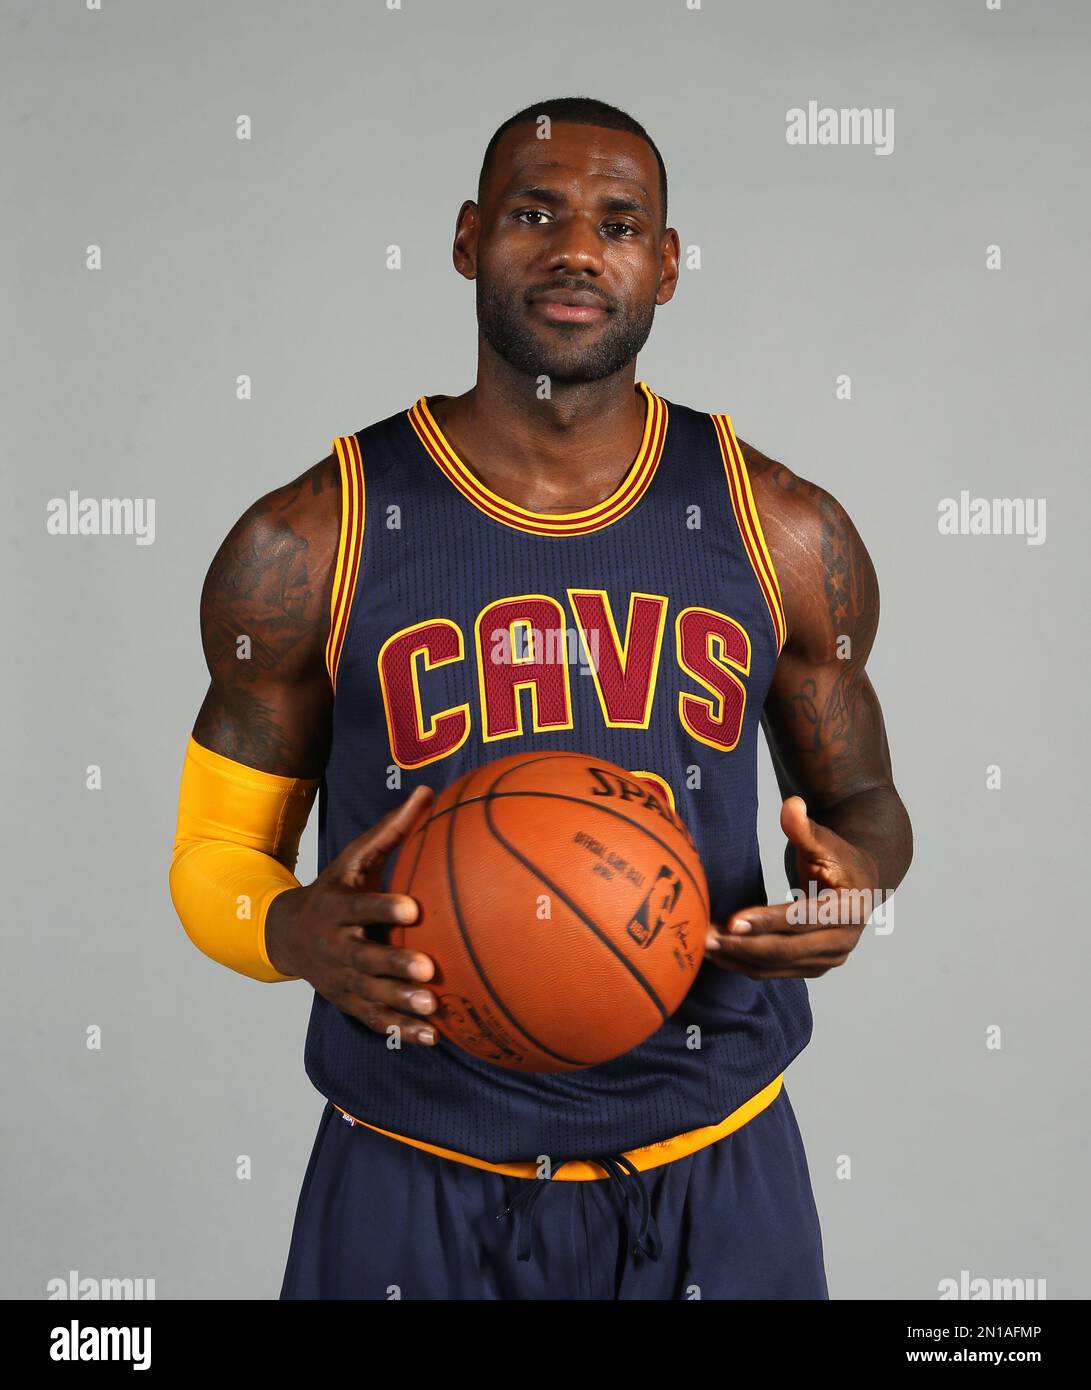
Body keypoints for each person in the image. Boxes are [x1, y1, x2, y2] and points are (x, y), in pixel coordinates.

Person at [169, 95, 912, 1300]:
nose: (576, 248)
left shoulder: (781, 527)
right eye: (534, 213)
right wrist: (280, 929)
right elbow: (212, 850)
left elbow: (865, 800)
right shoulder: (310, 538)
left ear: (664, 266)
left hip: (711, 1159)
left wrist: (855, 888)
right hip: (417, 1167)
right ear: (468, 239)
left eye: (618, 223)